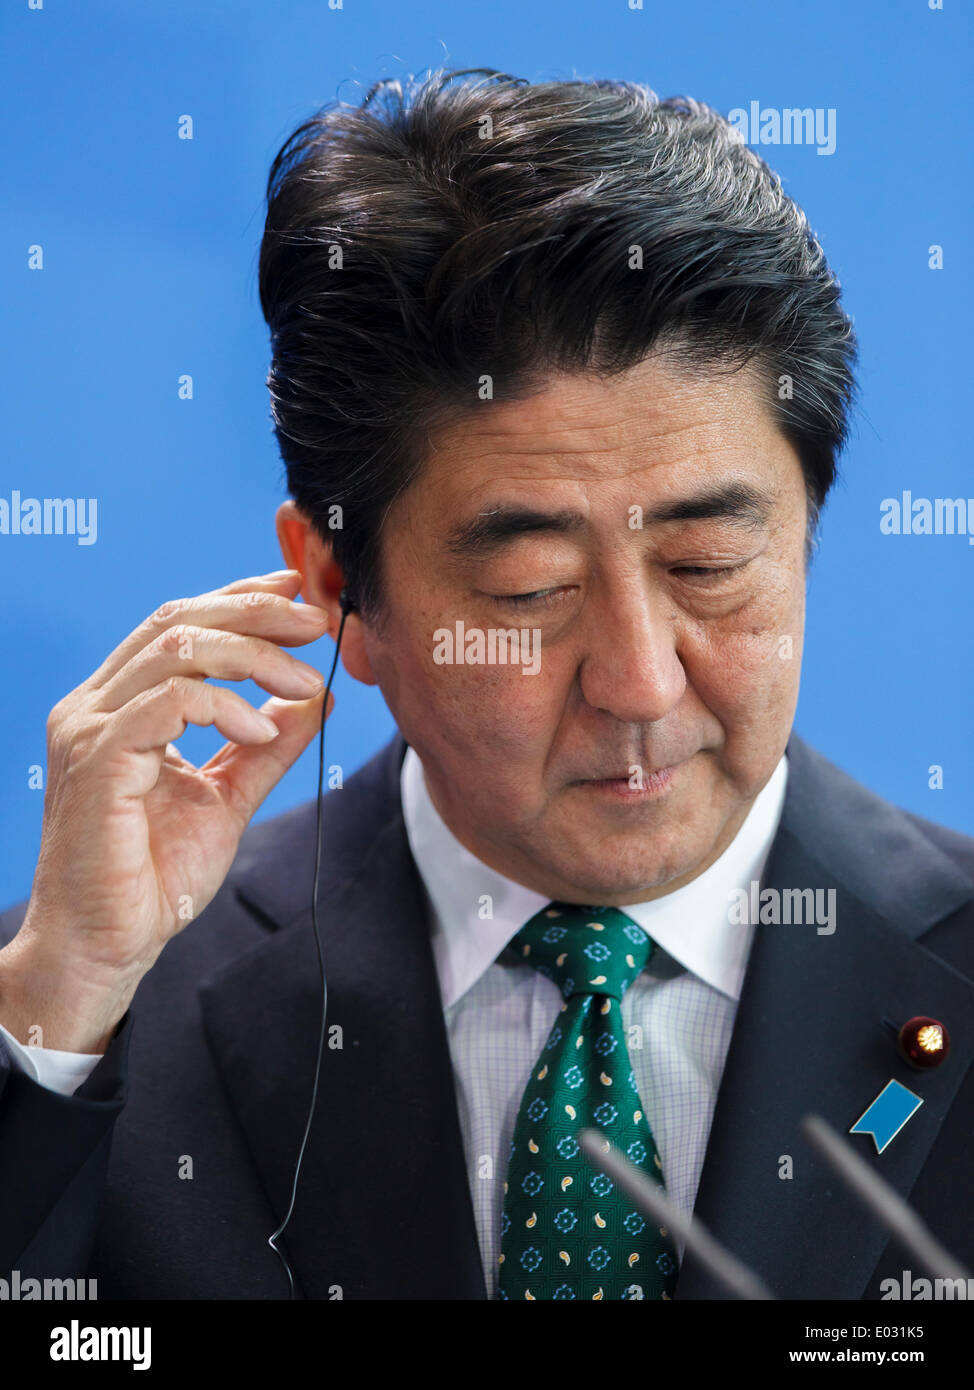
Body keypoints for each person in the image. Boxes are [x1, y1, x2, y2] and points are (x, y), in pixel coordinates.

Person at [1, 69, 971, 1302]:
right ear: (337, 586)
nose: (636, 679)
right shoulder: (99, 1011)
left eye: (708, 564)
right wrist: (58, 1012)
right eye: (527, 591)